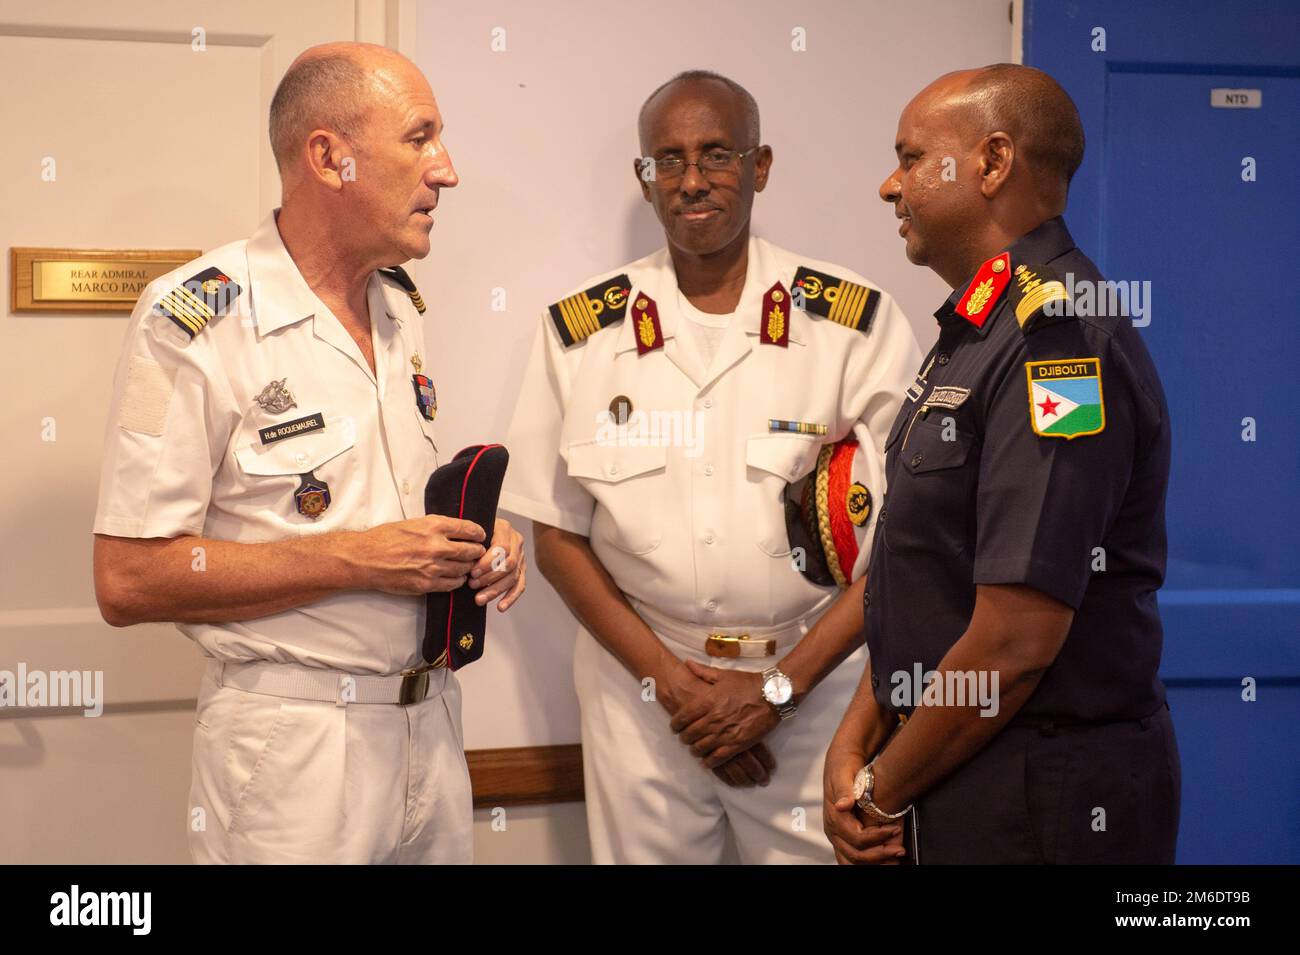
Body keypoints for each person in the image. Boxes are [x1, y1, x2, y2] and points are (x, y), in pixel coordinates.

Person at [91, 42, 526, 865]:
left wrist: (477, 547)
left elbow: (383, 513)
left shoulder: (398, 306)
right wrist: (356, 559)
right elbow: (127, 577)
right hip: (295, 749)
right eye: (420, 137)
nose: (447, 170)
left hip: (432, 724)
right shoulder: (195, 318)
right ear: (330, 156)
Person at [501, 70, 920, 864]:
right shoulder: (578, 332)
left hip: (818, 689)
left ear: (760, 166)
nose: (691, 180)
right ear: (645, 178)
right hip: (643, 698)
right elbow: (556, 534)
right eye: (668, 160)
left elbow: (911, 539)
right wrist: (675, 685)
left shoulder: (854, 324)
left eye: (716, 155)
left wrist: (776, 692)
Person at [822, 64, 1180, 865]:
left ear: (990, 162)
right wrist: (852, 744)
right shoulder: (978, 332)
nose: (891, 184)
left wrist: (880, 787)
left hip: (1046, 794)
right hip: (957, 770)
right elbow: (922, 580)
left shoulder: (1059, 342)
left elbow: (1014, 640)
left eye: (911, 157)